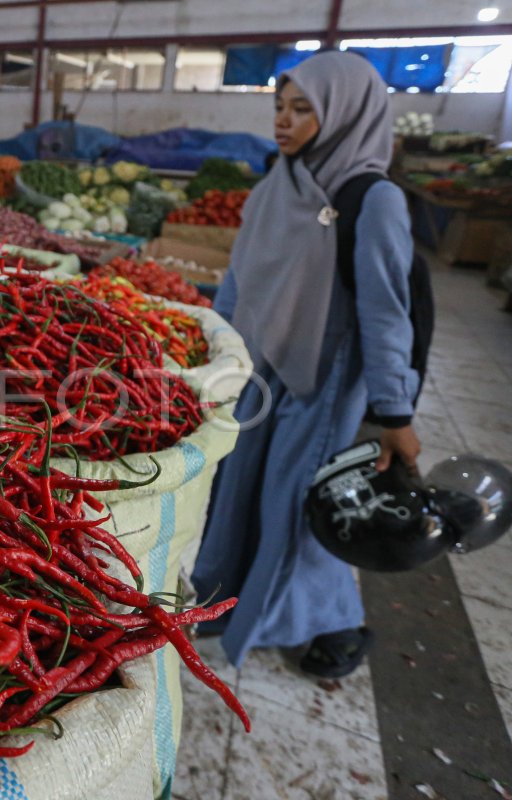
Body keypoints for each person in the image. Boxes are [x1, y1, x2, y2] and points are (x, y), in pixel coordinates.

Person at [191, 51, 422, 679]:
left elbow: (385, 314)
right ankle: (224, 601)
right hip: (261, 371)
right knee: (235, 490)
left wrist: (393, 411)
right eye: (279, 107)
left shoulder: (372, 201)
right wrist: (219, 364)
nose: (283, 122)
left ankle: (335, 624)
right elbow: (237, 281)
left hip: (323, 377)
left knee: (298, 504)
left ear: (346, 113)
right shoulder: (275, 187)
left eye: (302, 110)